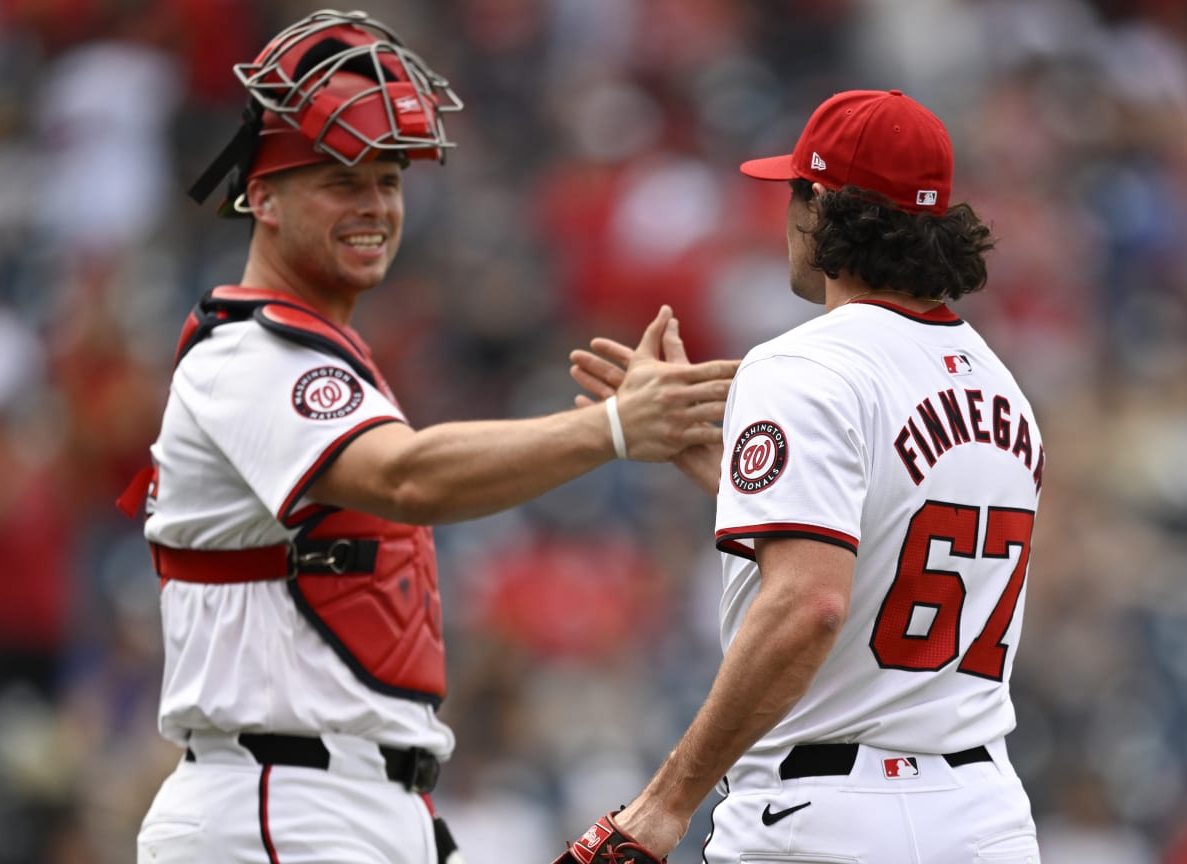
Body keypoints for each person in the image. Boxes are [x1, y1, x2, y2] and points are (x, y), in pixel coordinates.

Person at [120, 11, 737, 864]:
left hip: (357, 800)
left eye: (389, 181)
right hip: (274, 801)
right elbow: (407, 478)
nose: (375, 205)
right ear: (259, 194)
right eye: (341, 179)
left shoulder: (326, 357)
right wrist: (612, 429)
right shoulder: (248, 353)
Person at [564, 90, 1045, 863]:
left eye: (791, 189)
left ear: (820, 204)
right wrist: (713, 467)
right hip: (983, 817)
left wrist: (662, 804)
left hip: (825, 815)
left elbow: (813, 601)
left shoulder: (804, 363)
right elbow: (877, 547)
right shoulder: (1000, 387)